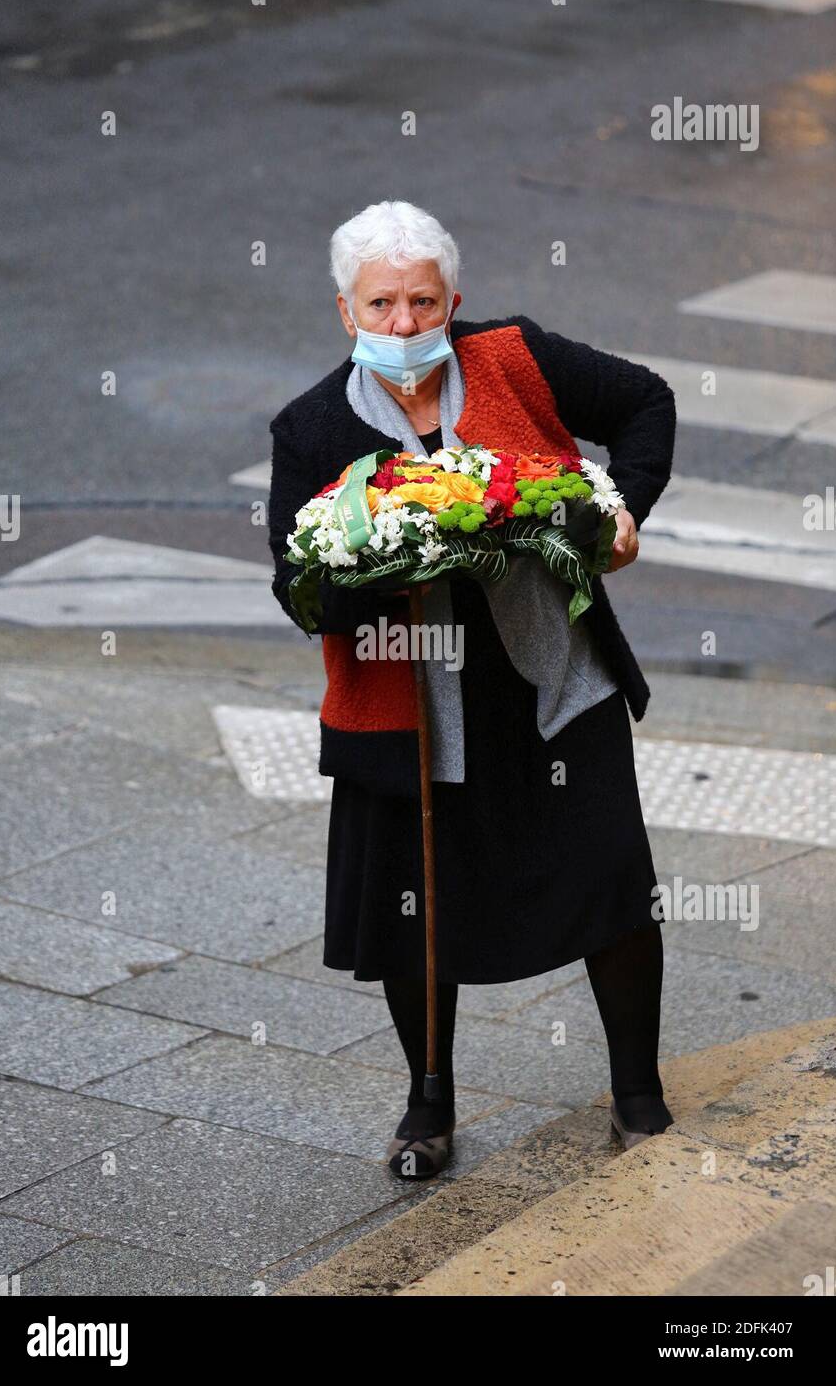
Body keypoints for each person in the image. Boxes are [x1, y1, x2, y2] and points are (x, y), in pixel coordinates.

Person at [268, 200, 677, 1179]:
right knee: (414, 907)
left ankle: (636, 1093)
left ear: (452, 297)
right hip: (405, 715)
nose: (403, 324)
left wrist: (619, 507)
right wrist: (379, 556)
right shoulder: (313, 427)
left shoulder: (511, 358)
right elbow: (298, 587)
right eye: (381, 303)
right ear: (344, 311)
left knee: (609, 881)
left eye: (421, 300)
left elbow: (644, 401)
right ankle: (427, 1106)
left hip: (549, 680)